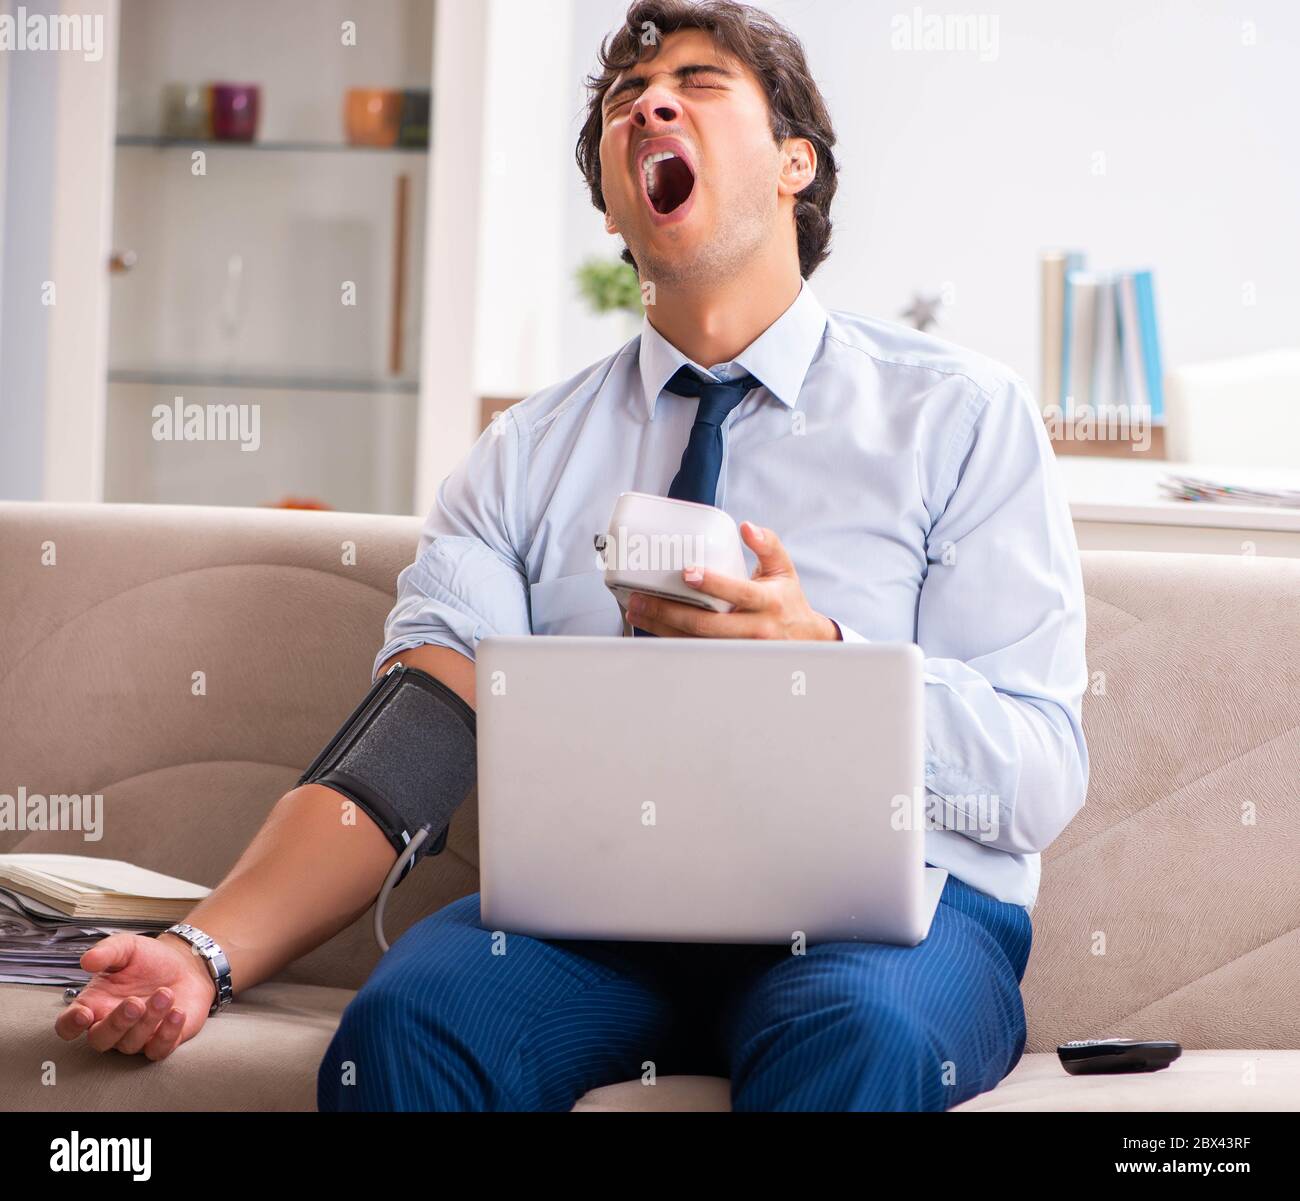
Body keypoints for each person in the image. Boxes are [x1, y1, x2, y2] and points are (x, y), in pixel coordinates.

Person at [54, 0, 1087, 1112]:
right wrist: (203, 952)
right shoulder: (524, 459)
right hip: (597, 929)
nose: (648, 103)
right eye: (618, 102)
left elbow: (1036, 777)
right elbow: (416, 740)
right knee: (404, 1031)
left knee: (860, 1038)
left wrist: (823, 659)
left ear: (797, 161)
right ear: (611, 209)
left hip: (891, 926)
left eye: (698, 82)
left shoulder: (960, 417)